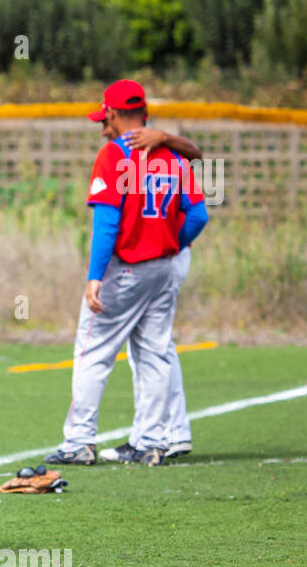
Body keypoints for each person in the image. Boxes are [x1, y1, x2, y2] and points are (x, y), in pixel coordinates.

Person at [44, 79, 209, 468]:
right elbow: (199, 215)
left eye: (106, 117)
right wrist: (170, 243)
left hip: (125, 269)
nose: (105, 124)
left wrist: (95, 276)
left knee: (93, 353)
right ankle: (152, 443)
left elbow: (107, 222)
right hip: (163, 268)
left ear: (114, 114)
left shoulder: (112, 156)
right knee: (154, 354)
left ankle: (80, 441)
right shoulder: (173, 158)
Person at [93, 116, 204, 463]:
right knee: (156, 346)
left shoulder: (156, 153)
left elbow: (198, 206)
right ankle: (166, 434)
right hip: (166, 254)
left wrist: (170, 244)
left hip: (159, 256)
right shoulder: (165, 157)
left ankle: (159, 436)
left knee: (151, 349)